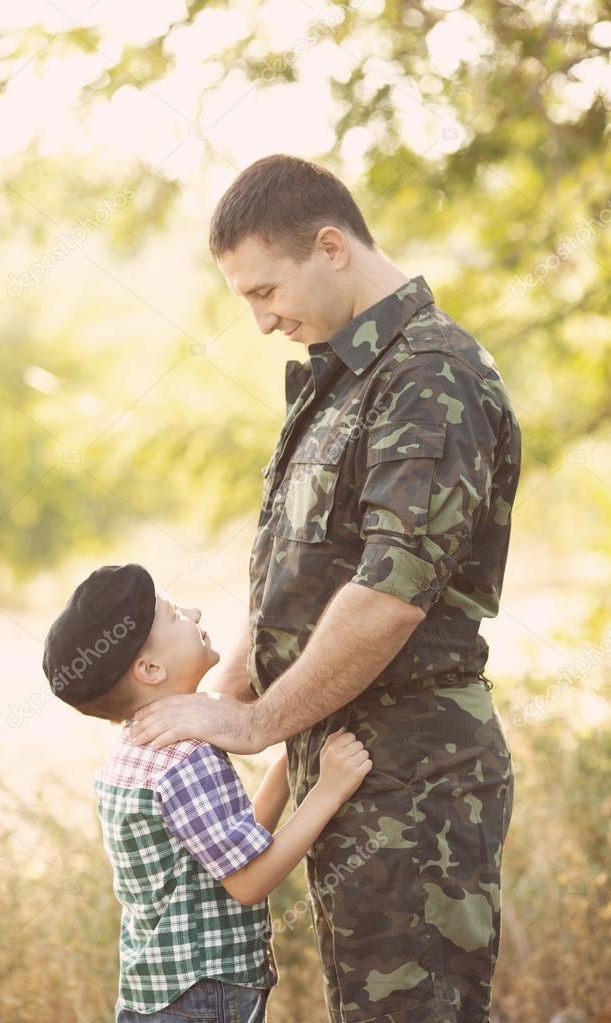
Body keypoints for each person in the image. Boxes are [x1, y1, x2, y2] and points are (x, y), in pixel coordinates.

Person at [127, 154, 522, 1023]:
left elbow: (389, 594)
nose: (262, 320)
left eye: (265, 292)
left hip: (415, 780)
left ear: (332, 247)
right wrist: (231, 683)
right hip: (354, 766)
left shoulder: (430, 376)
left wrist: (257, 723)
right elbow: (298, 574)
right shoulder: (342, 377)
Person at [42, 562, 373, 1023]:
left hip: (163, 993)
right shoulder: (184, 757)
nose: (195, 613)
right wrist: (327, 793)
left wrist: (284, 765)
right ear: (151, 669)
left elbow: (229, 849)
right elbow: (249, 881)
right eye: (176, 615)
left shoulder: (137, 747)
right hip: (201, 997)